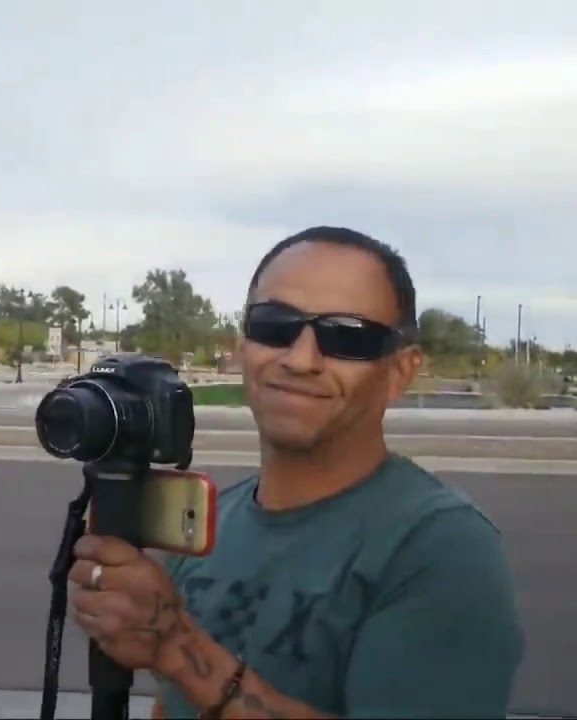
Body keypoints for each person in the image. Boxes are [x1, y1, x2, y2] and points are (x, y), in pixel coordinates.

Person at [68, 227, 524, 718]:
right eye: (274, 325)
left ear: (400, 372)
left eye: (348, 337)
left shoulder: (441, 549)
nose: (301, 359)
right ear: (244, 346)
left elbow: (180, 664)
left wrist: (179, 648)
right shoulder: (209, 525)